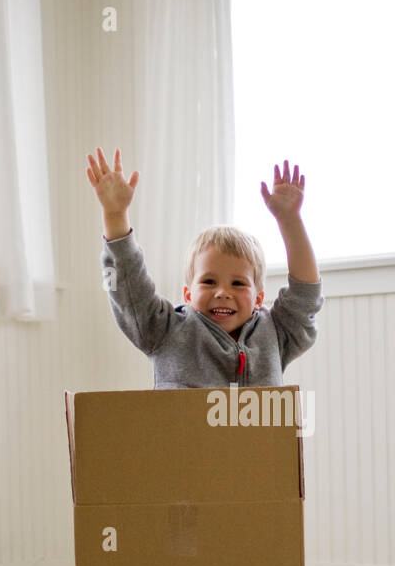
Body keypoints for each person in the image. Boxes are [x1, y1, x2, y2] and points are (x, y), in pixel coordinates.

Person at [85, 146, 323, 389]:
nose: (222, 292)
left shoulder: (275, 332)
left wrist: (290, 220)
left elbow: (304, 298)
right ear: (188, 295)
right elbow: (129, 291)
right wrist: (115, 216)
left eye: (238, 283)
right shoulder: (166, 330)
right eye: (209, 281)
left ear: (258, 299)